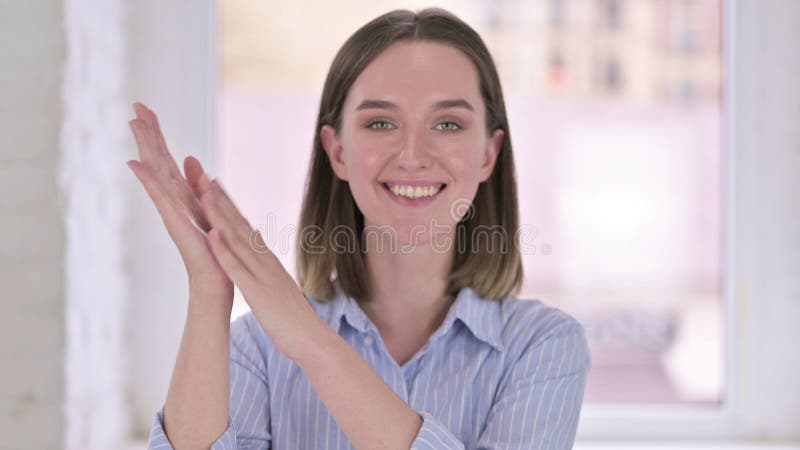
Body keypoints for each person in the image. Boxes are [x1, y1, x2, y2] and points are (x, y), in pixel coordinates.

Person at [128, 7, 591, 450]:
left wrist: (312, 343)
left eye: (448, 123)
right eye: (381, 122)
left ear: (488, 153)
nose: (412, 155)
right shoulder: (257, 350)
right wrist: (210, 290)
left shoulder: (542, 347)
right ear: (338, 151)